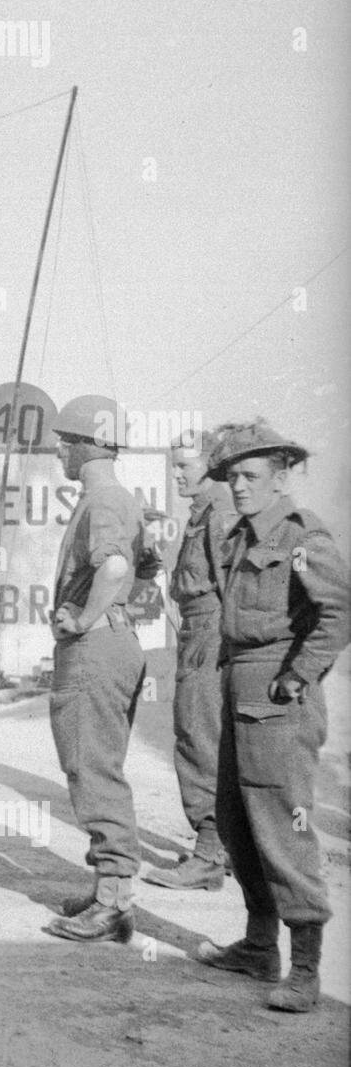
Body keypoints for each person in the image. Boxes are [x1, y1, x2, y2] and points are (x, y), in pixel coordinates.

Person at [195, 420, 348, 1012]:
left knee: (284, 825)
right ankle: (260, 949)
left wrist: (298, 674)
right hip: (237, 683)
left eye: (250, 476)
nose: (238, 487)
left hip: (278, 696)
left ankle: (306, 970)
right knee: (236, 820)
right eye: (232, 477)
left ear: (281, 477)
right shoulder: (239, 536)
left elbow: (339, 612)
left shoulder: (300, 534)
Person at [43, 394, 148, 943]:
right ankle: (110, 891)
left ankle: (113, 903)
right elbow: (146, 566)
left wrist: (83, 619)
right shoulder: (122, 500)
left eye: (65, 440)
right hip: (119, 643)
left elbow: (116, 564)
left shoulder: (102, 500)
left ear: (86, 445)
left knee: (92, 768)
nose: (60, 450)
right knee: (100, 764)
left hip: (95, 649)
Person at [143, 430, 235, 890]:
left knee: (199, 738)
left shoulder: (219, 516)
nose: (177, 474)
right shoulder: (204, 513)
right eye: (174, 465)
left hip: (211, 637)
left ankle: (208, 856)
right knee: (210, 739)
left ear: (210, 466)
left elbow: (232, 590)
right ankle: (229, 847)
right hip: (201, 631)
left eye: (185, 466)